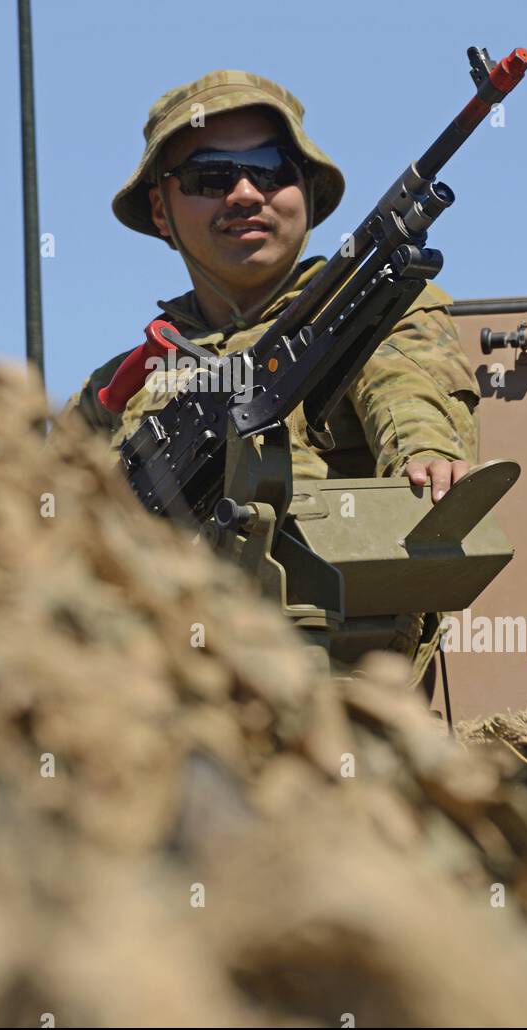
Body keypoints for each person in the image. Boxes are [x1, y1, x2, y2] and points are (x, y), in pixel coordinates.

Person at [64, 70, 481, 682]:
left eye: (271, 170)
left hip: (325, 691)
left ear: (307, 191)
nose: (243, 194)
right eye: (211, 176)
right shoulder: (116, 389)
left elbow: (405, 385)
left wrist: (426, 455)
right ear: (161, 208)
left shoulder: (367, 309)